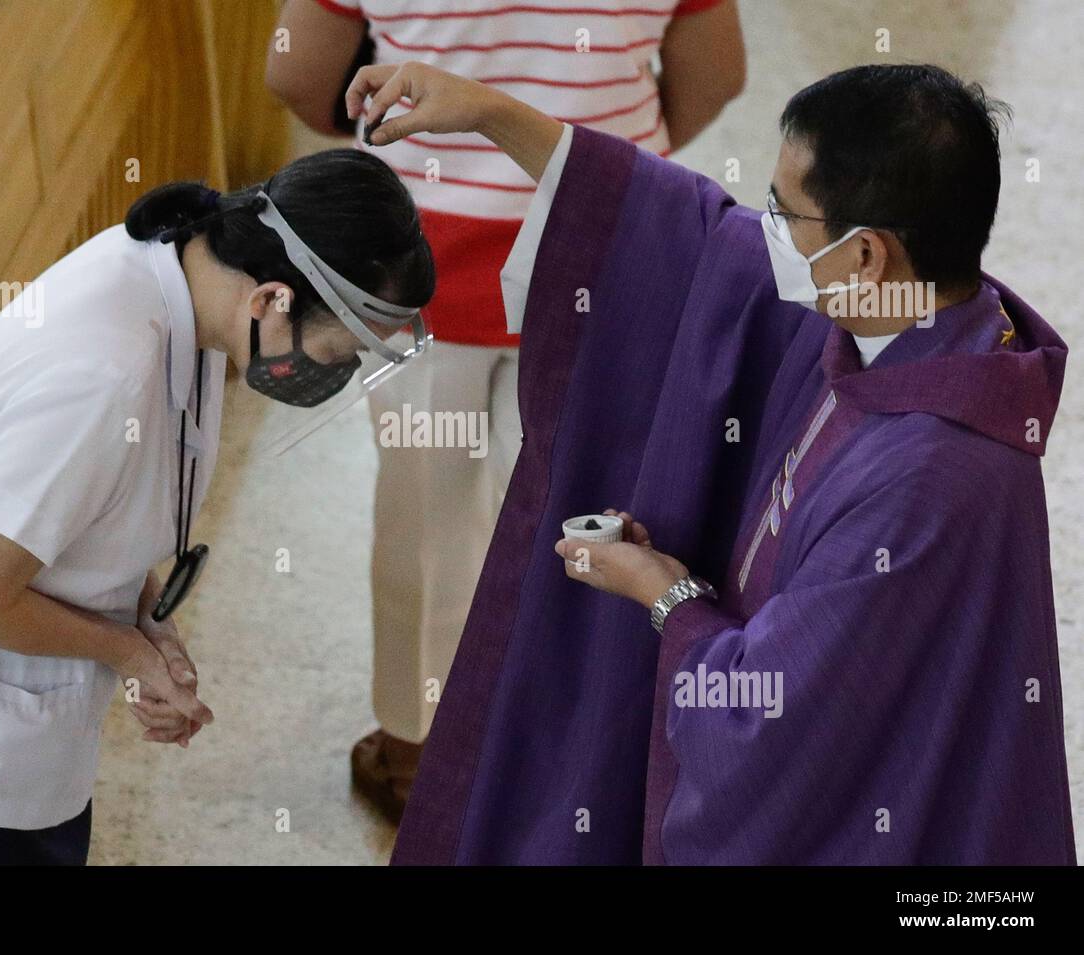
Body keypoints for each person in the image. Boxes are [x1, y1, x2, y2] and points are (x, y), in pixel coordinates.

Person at [345, 61, 1075, 864]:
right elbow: (690, 238)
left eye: (785, 211)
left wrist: (662, 590)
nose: (763, 231)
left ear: (866, 254)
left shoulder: (926, 476)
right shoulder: (917, 319)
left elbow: (766, 723)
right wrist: (492, 114)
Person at [0, 150, 434, 865]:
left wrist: (149, 625)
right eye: (335, 349)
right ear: (271, 300)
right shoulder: (103, 374)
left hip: (10, 752)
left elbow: (92, 511)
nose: (330, 372)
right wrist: (126, 651)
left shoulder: (184, 284)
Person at [266, 0, 744, 823]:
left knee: (425, 512)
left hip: (416, 255)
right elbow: (717, 74)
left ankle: (423, 744)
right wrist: (590, 155)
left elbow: (297, 72)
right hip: (607, 246)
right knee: (597, 517)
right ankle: (579, 751)